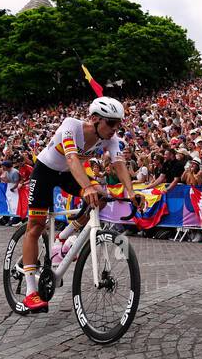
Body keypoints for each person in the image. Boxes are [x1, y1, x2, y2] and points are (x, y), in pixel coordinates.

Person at [19, 98, 133, 314]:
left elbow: (119, 164)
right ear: (95, 119)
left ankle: (62, 239)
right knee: (35, 227)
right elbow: (71, 158)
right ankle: (30, 292)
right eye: (110, 123)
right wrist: (86, 187)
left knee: (99, 195)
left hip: (67, 175)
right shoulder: (71, 125)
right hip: (45, 171)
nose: (114, 129)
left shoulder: (111, 139)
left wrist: (132, 192)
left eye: (118, 124)